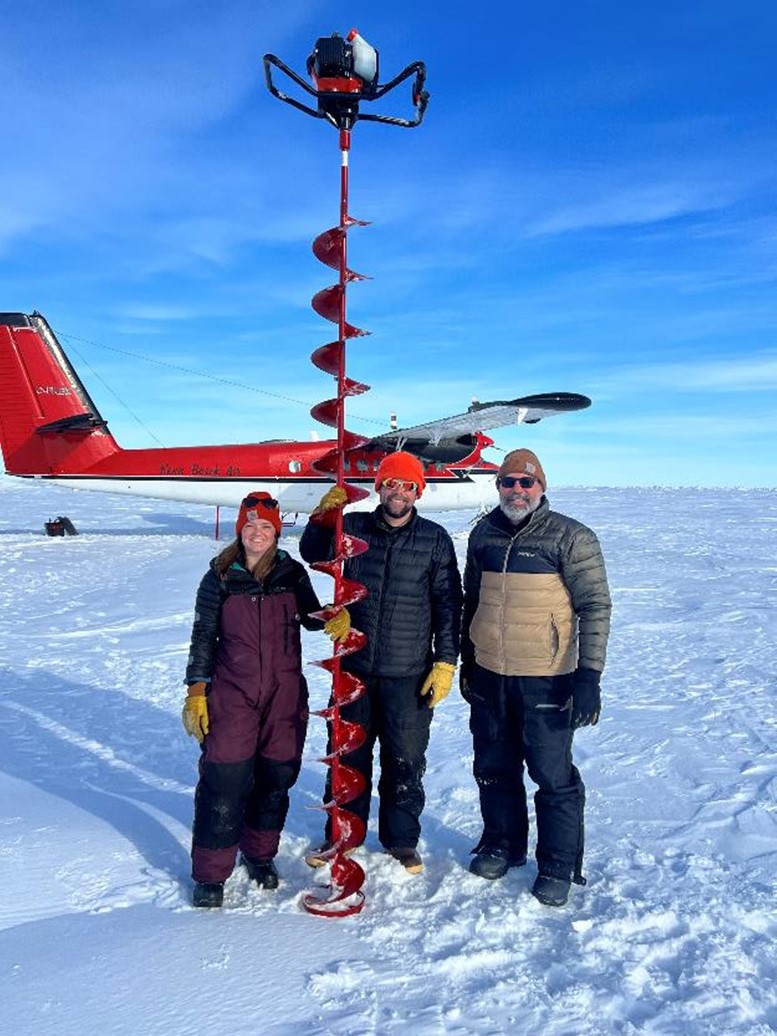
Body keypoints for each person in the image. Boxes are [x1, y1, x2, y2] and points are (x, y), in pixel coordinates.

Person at [299, 451, 463, 874]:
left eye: (408, 486)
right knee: (347, 756)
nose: (398, 492)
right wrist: (323, 518)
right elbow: (311, 551)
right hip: (353, 667)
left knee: (404, 759)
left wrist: (445, 662)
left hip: (409, 673)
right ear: (379, 488)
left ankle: (402, 841)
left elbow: (448, 604)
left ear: (418, 493)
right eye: (391, 483)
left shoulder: (435, 540)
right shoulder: (352, 528)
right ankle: (342, 835)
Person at [460, 448, 611, 906]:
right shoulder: (483, 534)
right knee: (493, 766)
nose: (517, 490)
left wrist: (589, 676)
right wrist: (468, 659)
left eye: (527, 483)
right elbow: (472, 600)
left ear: (541, 488)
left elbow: (595, 606)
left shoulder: (571, 536)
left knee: (552, 774)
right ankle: (502, 844)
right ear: (498, 486)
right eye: (508, 482)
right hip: (490, 674)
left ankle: (558, 865)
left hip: (547, 677)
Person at [182, 491, 337, 908]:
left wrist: (332, 615)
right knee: (225, 780)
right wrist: (197, 690)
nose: (257, 533)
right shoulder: (219, 577)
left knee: (275, 777)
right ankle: (211, 874)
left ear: (276, 532)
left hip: (284, 694)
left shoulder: (291, 572)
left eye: (266, 526)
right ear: (240, 530)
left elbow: (310, 617)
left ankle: (259, 854)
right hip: (232, 692)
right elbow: (203, 636)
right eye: (250, 525)